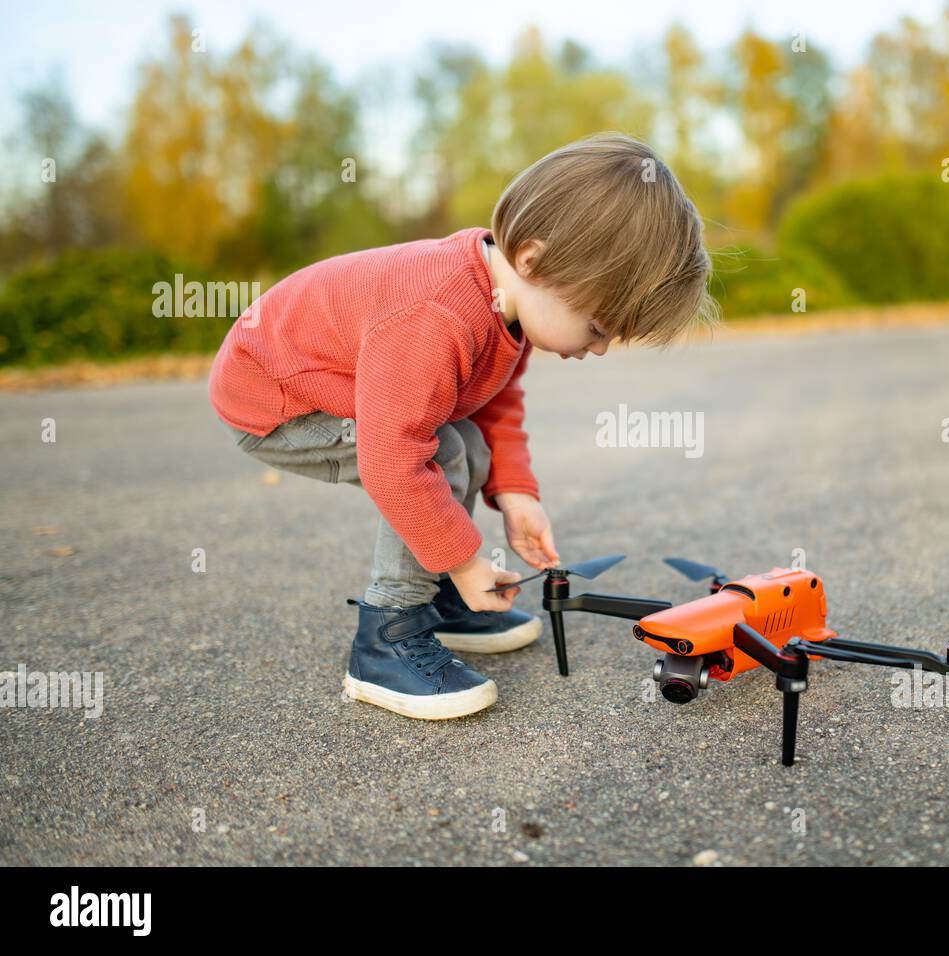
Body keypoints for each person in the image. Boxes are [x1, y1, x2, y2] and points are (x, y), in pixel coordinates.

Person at [208, 132, 720, 720]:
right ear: (532, 258)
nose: (599, 349)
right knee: (442, 454)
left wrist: (518, 495)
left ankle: (437, 596)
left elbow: (493, 401)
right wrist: (466, 559)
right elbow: (392, 458)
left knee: (468, 443)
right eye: (598, 326)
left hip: (327, 386)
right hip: (274, 398)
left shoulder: (510, 299)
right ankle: (386, 636)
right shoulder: (437, 314)